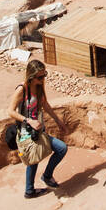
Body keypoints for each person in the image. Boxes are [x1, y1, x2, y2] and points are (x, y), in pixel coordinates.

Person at [9, 59, 69, 198]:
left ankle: (46, 176)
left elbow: (45, 104)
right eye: (40, 77)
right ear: (31, 76)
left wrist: (57, 120)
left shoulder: (39, 87)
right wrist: (28, 120)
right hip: (27, 132)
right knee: (33, 159)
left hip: (38, 130)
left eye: (44, 76)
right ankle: (29, 190)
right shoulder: (22, 89)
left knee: (61, 149)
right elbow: (10, 111)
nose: (43, 79)